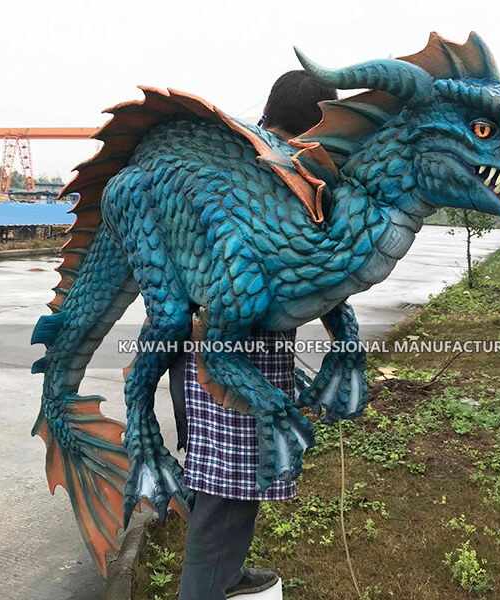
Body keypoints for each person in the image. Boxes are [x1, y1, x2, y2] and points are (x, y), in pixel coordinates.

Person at [177, 71, 337, 600]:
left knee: (231, 487)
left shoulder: (243, 162)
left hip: (211, 356)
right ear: (314, 129)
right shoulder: (264, 176)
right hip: (227, 365)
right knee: (221, 499)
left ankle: (227, 575)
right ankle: (206, 586)